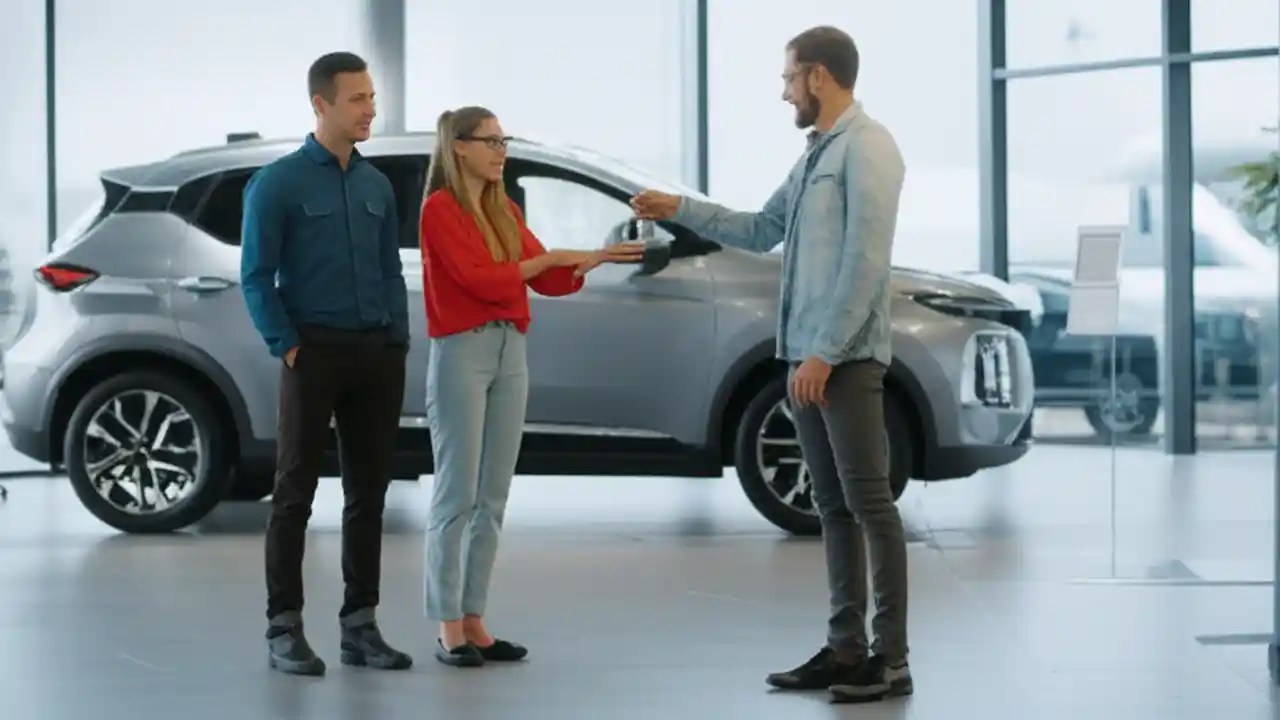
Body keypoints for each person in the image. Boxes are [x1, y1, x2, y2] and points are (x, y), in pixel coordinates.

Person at [631, 26, 911, 703]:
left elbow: (864, 264)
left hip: (840, 359)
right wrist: (681, 210)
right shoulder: (818, 154)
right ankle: (846, 650)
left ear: (818, 76)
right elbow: (761, 228)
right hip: (806, 358)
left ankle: (891, 661)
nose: (784, 91)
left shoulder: (868, 150)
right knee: (834, 508)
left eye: (789, 78)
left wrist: (824, 352)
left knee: (870, 504)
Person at [419, 106, 643, 668]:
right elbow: (480, 280)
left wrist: (585, 261)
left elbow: (544, 278)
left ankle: (475, 619)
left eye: (504, 139)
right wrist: (546, 259)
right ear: (459, 147)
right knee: (456, 493)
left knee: (492, 495)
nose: (501, 150)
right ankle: (448, 624)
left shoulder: (504, 208)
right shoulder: (439, 210)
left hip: (508, 348)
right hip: (462, 350)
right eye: (490, 140)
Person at [241, 51, 412, 676]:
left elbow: (391, 269)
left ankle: (359, 626)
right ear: (321, 104)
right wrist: (286, 346)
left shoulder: (375, 185)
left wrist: (398, 337)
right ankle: (283, 626)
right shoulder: (279, 183)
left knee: (369, 495)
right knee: (294, 493)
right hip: (311, 352)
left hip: (376, 353)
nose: (371, 109)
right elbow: (255, 276)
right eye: (358, 99)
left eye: (372, 97)